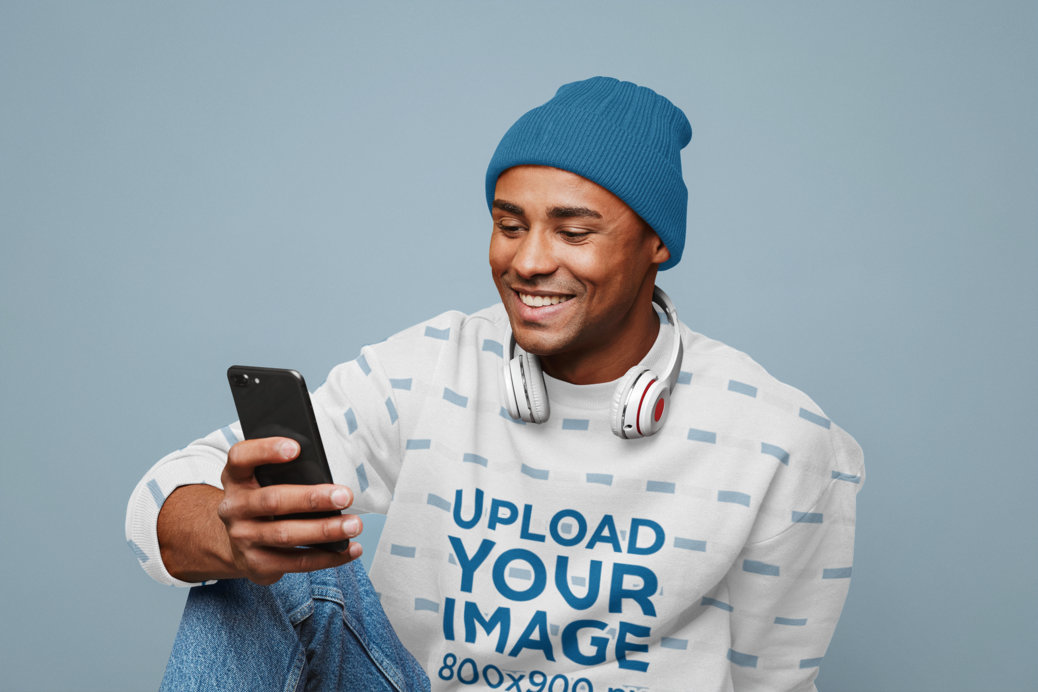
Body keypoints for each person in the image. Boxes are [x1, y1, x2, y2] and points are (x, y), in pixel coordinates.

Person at [127, 76, 864, 691]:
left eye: (574, 233)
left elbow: (773, 682)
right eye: (510, 226)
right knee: (261, 568)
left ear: (656, 245)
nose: (530, 262)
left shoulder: (781, 440)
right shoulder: (431, 366)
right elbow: (166, 492)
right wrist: (229, 533)